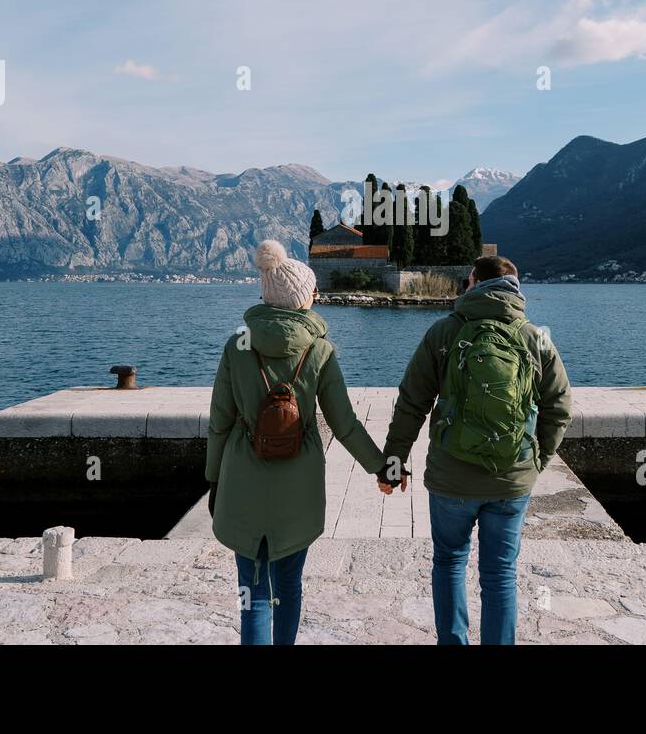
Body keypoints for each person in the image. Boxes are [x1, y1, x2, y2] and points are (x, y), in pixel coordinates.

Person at [378, 254, 572, 644]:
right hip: (511, 479)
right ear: (516, 289)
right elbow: (560, 407)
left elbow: (412, 402)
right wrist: (535, 462)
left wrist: (393, 463)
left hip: (452, 477)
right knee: (500, 574)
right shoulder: (536, 337)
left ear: (471, 283)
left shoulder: (444, 333)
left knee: (449, 562)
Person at [207, 239, 386, 645]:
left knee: (251, 594)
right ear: (304, 299)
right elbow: (346, 425)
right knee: (288, 587)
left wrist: (214, 480)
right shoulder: (321, 350)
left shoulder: (237, 345)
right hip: (298, 488)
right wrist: (383, 467)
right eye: (313, 291)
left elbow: (219, 422)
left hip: (242, 481)